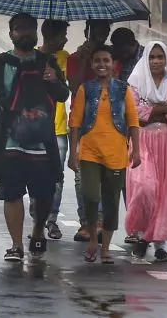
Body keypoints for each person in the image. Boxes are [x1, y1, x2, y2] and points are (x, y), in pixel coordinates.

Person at [0, 12, 68, 263]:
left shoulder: (48, 62)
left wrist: (54, 80)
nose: (25, 32)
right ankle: (15, 245)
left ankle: (37, 229)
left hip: (43, 142)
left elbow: (63, 95)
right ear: (11, 33)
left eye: (30, 28)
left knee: (45, 193)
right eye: (20, 28)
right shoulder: (0, 63)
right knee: (11, 193)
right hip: (9, 141)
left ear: (36, 33)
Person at [68, 45, 141, 264]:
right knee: (90, 196)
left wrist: (135, 150)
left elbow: (133, 121)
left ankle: (106, 247)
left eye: (106, 60)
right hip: (90, 152)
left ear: (113, 64)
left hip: (117, 154)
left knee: (111, 203)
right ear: (92, 64)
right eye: (97, 60)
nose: (102, 64)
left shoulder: (123, 89)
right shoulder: (85, 90)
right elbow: (75, 122)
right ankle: (92, 238)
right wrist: (74, 152)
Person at [125, 41, 167, 261]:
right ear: (145, 60)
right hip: (142, 141)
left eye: (160, 57)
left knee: (165, 194)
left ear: (166, 59)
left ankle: (158, 243)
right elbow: (134, 113)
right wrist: (165, 109)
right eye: (152, 57)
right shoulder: (135, 83)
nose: (156, 61)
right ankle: (142, 233)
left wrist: (152, 112)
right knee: (145, 188)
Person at [65, 19, 112, 243]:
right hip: (81, 121)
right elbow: (73, 86)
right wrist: (85, 60)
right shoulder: (75, 58)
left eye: (104, 29)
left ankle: (100, 221)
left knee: (103, 174)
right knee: (80, 175)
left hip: (105, 123)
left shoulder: (111, 60)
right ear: (87, 31)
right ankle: (86, 221)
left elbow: (116, 87)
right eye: (95, 30)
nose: (99, 34)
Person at [35, 19, 71, 241]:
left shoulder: (65, 59)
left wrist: (57, 77)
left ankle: (51, 220)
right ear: (51, 36)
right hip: (36, 128)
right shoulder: (32, 58)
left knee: (57, 178)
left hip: (59, 127)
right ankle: (37, 216)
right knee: (37, 177)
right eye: (63, 35)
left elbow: (66, 91)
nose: (66, 39)